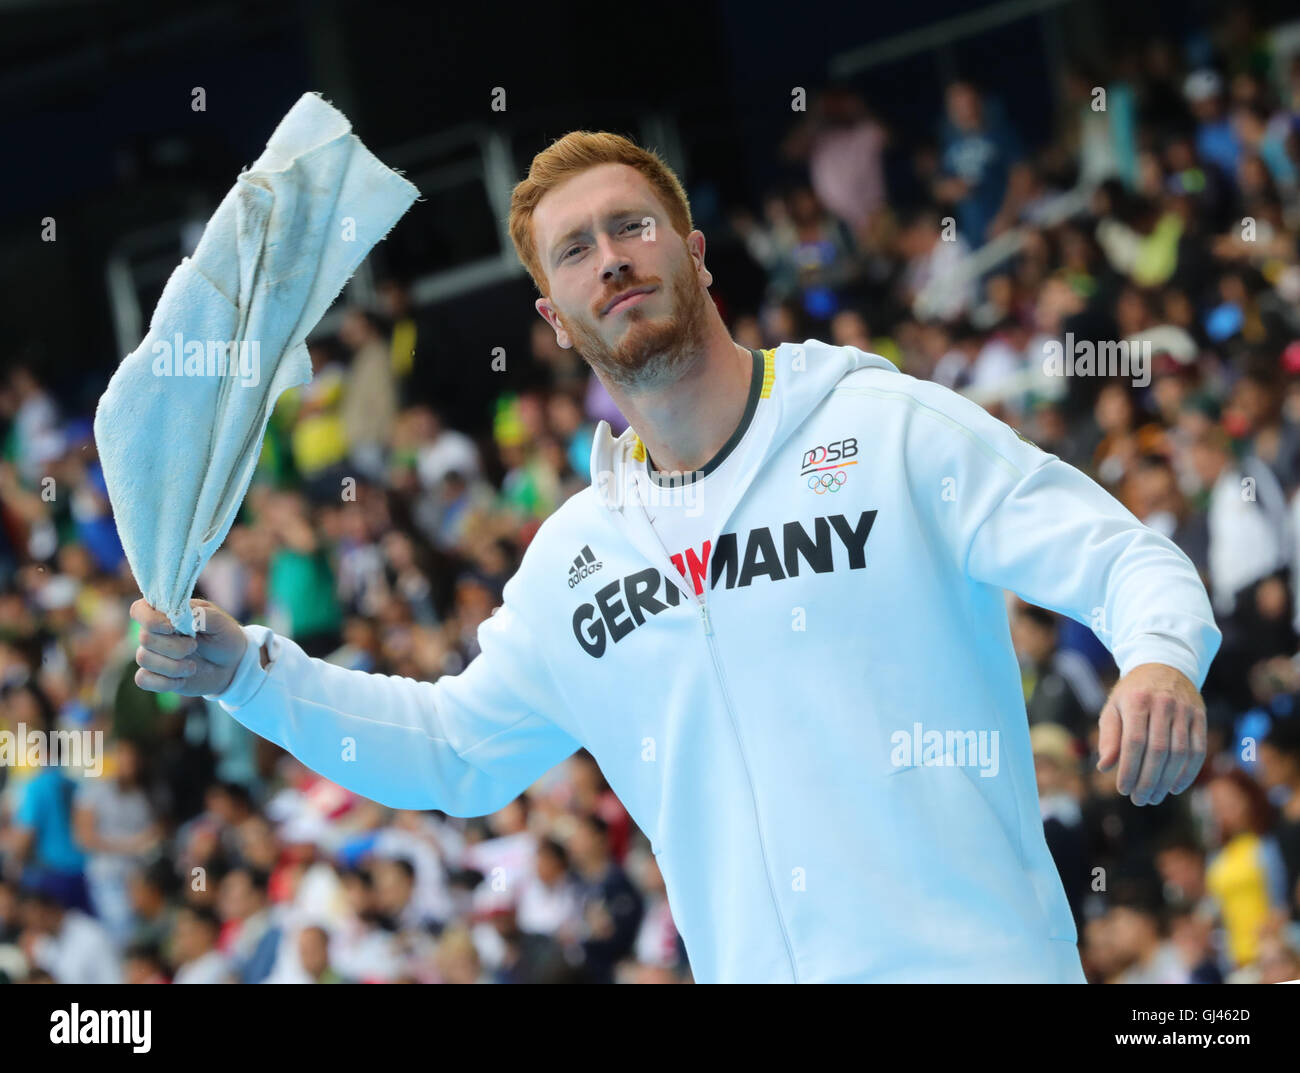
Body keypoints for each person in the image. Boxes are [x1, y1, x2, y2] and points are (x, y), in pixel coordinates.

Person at [131, 132, 1221, 984]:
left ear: (691, 251)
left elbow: (1125, 557)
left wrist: (1159, 656)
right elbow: (452, 749)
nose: (609, 259)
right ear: (552, 318)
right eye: (575, 250)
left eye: (631, 227)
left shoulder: (886, 427)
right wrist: (249, 672)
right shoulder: (573, 563)